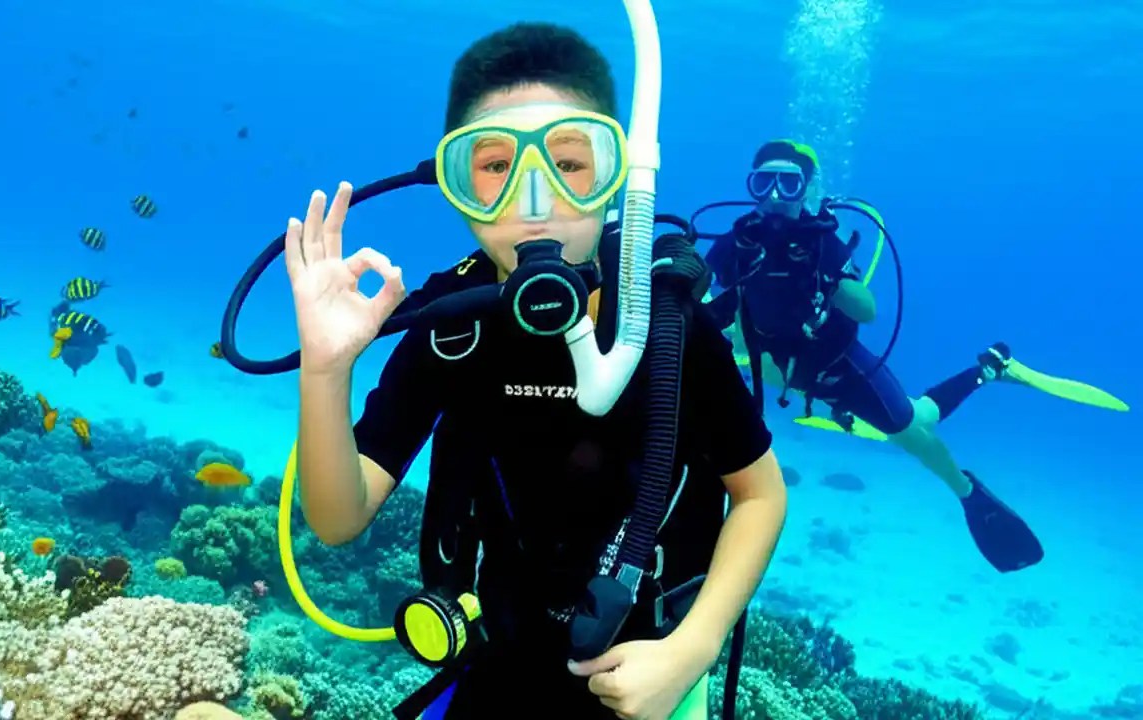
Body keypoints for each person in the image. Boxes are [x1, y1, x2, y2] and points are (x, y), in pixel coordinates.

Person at [285, 21, 788, 720]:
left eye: (569, 164)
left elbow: (761, 496)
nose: (532, 200)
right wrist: (324, 370)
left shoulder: (669, 325)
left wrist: (690, 653)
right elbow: (338, 519)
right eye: (494, 167)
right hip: (503, 655)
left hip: (649, 677)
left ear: (621, 177)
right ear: (456, 186)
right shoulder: (449, 324)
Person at [701, 139, 1124, 575]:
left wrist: (826, 275)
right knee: (747, 364)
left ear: (805, 189)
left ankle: (969, 474)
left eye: (787, 183)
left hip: (838, 366)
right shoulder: (738, 242)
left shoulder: (822, 242)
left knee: (913, 426)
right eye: (763, 181)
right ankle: (869, 406)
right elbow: (706, 297)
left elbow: (867, 309)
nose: (774, 194)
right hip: (780, 367)